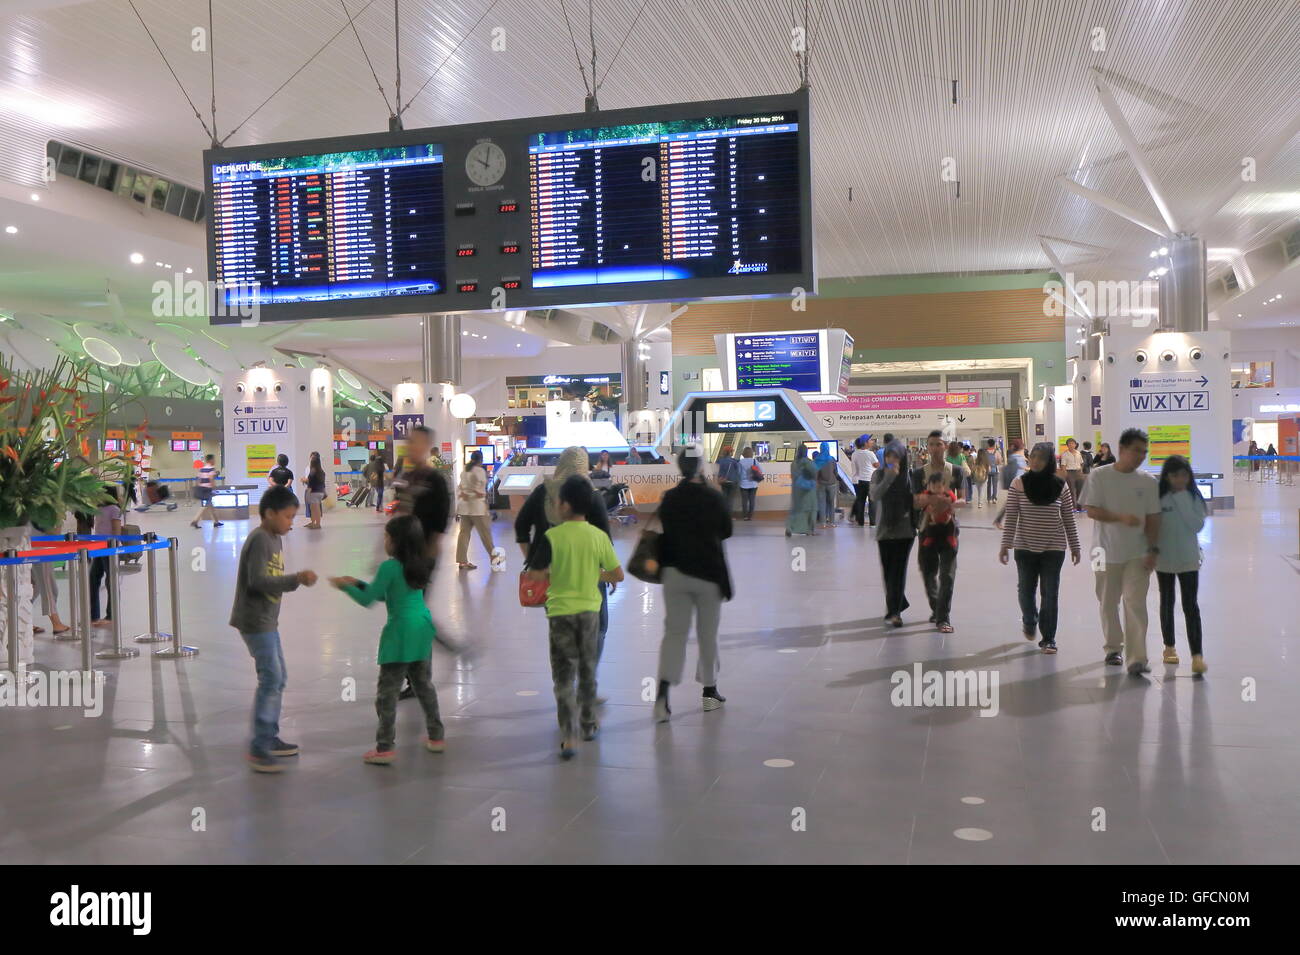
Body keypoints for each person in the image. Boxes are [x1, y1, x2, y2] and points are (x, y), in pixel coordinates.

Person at [331, 514, 446, 764]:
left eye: (386, 536)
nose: (384, 540)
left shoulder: (389, 567)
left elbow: (369, 600)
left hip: (400, 633)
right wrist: (359, 583)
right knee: (424, 685)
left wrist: (344, 586)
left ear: (396, 541)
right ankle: (436, 736)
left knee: (387, 693)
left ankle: (385, 747)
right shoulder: (419, 564)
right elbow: (388, 595)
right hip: (423, 629)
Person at [525, 475, 623, 758]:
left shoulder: (552, 537)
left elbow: (534, 573)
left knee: (564, 676)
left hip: (560, 614)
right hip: (589, 612)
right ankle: (589, 724)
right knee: (588, 670)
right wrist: (597, 574)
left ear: (564, 506)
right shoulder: (598, 536)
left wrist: (551, 573)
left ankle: (568, 736)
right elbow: (617, 574)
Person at [228, 485, 318, 773]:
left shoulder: (274, 538)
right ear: (269, 514)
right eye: (288, 517)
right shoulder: (260, 540)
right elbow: (257, 581)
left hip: (268, 619)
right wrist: (295, 579)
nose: (291, 522)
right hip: (255, 620)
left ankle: (269, 736)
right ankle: (259, 746)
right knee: (271, 677)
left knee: (279, 677)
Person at [643, 447, 733, 722]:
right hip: (708, 574)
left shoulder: (669, 498)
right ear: (701, 467)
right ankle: (709, 692)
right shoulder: (712, 497)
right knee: (707, 634)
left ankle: (661, 699)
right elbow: (726, 530)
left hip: (674, 573)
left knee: (674, 634)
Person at [516, 446, 614, 682]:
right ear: (583, 467)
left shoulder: (542, 493)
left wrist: (532, 560)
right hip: (588, 576)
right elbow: (605, 541)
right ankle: (586, 680)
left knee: (560, 631)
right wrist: (607, 572)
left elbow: (521, 526)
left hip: (551, 576)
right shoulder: (591, 496)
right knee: (597, 628)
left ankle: (564, 683)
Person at [1080, 428, 1162, 675]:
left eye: (1144, 452)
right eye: (1137, 451)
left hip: (1137, 553)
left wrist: (1153, 549)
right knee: (1107, 602)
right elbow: (1091, 509)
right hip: (1103, 552)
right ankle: (1113, 648)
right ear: (1122, 449)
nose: (1141, 456)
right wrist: (1120, 518)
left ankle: (1137, 657)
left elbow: (1154, 517)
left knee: (1135, 603)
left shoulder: (1148, 482)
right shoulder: (1099, 476)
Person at [997, 442, 1081, 653]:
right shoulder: (1019, 483)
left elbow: (1069, 519)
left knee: (1050, 592)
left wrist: (1075, 546)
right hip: (1025, 546)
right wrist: (1006, 544)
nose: (1035, 461)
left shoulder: (1061, 486)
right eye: (1032, 456)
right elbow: (1013, 516)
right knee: (1026, 590)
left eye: (1041, 458)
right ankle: (1029, 619)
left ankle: (1049, 638)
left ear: (1049, 462)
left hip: (1054, 547)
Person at [392, 425, 454, 695]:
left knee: (412, 615)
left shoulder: (435, 480)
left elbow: (442, 519)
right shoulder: (407, 477)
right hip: (404, 554)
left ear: (427, 446)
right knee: (410, 615)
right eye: (409, 442)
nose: (410, 447)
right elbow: (401, 511)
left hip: (423, 557)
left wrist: (429, 552)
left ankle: (418, 678)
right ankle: (419, 671)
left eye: (416, 442)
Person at [1155, 455, 1207, 674]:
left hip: (1188, 559)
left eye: (1184, 475)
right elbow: (1152, 527)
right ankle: (1169, 647)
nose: (1180, 479)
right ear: (1167, 476)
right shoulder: (1159, 498)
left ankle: (1197, 655)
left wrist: (1184, 498)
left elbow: (1196, 525)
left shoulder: (1194, 497)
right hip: (1164, 560)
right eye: (1175, 475)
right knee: (1167, 602)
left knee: (1190, 606)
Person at [913, 430, 965, 632]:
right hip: (927, 529)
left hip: (949, 530)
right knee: (928, 572)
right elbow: (915, 501)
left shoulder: (956, 471)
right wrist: (928, 501)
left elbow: (963, 499)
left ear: (945, 446)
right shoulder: (918, 473)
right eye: (932, 444)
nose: (935, 448)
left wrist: (950, 504)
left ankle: (943, 617)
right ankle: (937, 607)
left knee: (947, 574)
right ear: (927, 447)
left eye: (939, 444)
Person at [870, 441, 915, 627]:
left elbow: (915, 500)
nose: (892, 459)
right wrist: (888, 478)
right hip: (884, 531)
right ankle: (898, 602)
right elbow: (874, 495)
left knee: (898, 572)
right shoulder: (878, 474)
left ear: (903, 458)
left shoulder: (909, 477)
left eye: (896, 456)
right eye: (889, 455)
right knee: (888, 573)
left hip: (905, 531)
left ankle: (894, 612)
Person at [88, 484, 122, 627]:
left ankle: (111, 616)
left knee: (111, 581)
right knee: (93, 579)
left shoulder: (114, 509)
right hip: (98, 547)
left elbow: (116, 528)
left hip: (109, 547)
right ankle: (93, 616)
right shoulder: (98, 509)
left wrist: (114, 545)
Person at [454, 449, 493, 570]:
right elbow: (481, 492)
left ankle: (462, 561)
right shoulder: (480, 471)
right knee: (485, 534)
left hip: (464, 507)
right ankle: (494, 558)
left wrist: (465, 494)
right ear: (481, 460)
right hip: (477, 508)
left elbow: (460, 487)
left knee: (464, 534)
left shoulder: (464, 470)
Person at [786, 446, 818, 536]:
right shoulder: (809, 462)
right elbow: (814, 474)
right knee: (811, 510)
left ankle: (789, 527)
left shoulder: (793, 463)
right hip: (808, 490)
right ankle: (810, 530)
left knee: (796, 510)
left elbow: (793, 476)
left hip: (796, 490)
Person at [849, 436, 878, 526]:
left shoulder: (854, 454)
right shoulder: (870, 454)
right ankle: (873, 522)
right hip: (870, 480)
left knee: (860, 501)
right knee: (872, 501)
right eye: (869, 440)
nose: (871, 442)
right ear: (865, 443)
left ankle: (860, 522)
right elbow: (877, 465)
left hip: (859, 480)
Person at [190, 454, 222, 528]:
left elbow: (198, 479)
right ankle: (195, 520)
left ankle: (216, 522)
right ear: (210, 460)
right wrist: (214, 487)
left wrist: (199, 486)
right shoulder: (211, 468)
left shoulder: (202, 468)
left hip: (202, 488)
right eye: (214, 459)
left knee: (210, 506)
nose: (214, 461)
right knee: (206, 505)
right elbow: (211, 479)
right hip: (208, 489)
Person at [815, 445, 840, 528]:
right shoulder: (832, 459)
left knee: (822, 504)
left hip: (821, 484)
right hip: (832, 484)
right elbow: (835, 471)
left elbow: (816, 473)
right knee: (831, 503)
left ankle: (823, 523)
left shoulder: (817, 459)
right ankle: (832, 523)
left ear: (821, 449)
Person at [301, 451, 327, 529]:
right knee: (316, 508)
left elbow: (310, 483)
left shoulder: (312, 471)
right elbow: (322, 483)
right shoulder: (322, 472)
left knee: (314, 509)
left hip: (314, 492)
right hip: (320, 492)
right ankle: (315, 523)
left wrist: (308, 492)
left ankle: (317, 524)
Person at [737, 445, 761, 521]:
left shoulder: (740, 462)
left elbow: (738, 473)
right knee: (752, 500)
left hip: (743, 484)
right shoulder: (755, 461)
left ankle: (745, 516)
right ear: (751, 453)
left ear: (743, 453)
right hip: (753, 484)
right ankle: (750, 516)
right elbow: (761, 471)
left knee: (744, 500)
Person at [1059, 439, 1085, 512]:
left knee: (1080, 490)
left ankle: (1080, 507)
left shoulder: (1078, 453)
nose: (1071, 445)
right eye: (1070, 444)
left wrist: (1081, 470)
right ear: (1067, 445)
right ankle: (1073, 507)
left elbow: (1081, 463)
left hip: (1078, 472)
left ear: (1075, 444)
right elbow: (1063, 465)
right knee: (1071, 490)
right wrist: (1065, 474)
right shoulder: (1064, 454)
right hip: (1069, 472)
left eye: (1073, 443)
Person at [715, 445, 740, 516]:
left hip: (723, 481)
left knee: (724, 499)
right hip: (732, 482)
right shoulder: (734, 461)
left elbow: (716, 469)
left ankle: (724, 515)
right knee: (730, 500)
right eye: (732, 451)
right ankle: (729, 516)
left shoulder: (719, 460)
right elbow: (737, 471)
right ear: (730, 452)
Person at [985, 438, 1002, 506]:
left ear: (988, 444)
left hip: (987, 470)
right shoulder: (997, 452)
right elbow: (999, 461)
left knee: (988, 485)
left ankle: (989, 499)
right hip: (995, 470)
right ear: (994, 444)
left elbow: (984, 462)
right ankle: (994, 498)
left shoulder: (985, 452)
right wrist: (995, 464)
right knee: (995, 485)